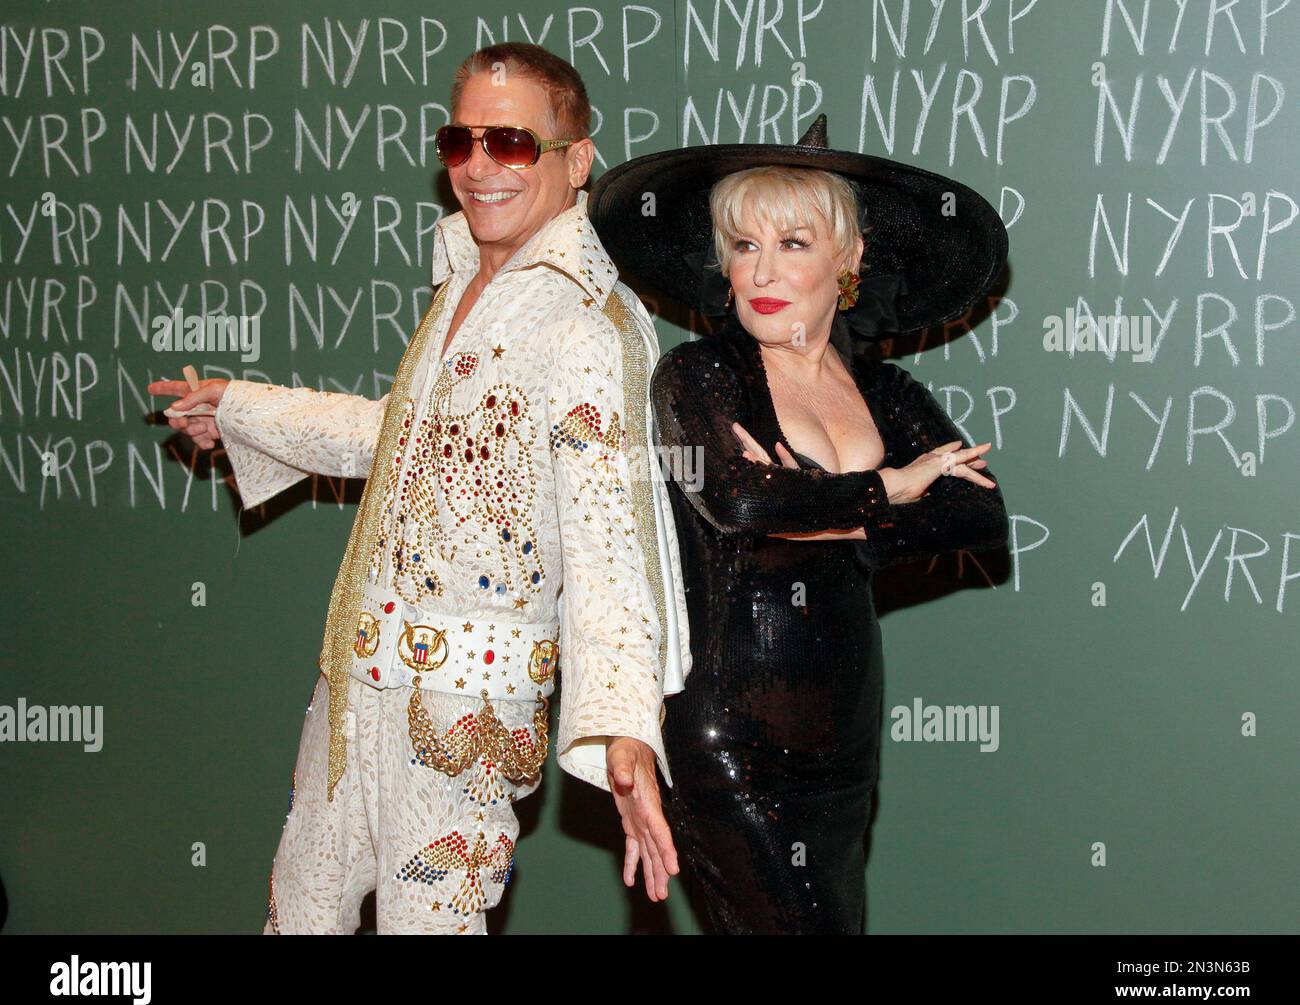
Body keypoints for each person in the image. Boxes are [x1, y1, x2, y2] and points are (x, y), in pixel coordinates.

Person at [146, 42, 691, 934]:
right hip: (353, 690)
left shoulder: (589, 327)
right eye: (461, 142)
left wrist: (627, 722)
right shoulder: (463, 289)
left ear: (576, 159)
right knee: (300, 911)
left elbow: (612, 537)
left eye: (511, 143)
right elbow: (396, 434)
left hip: (464, 718)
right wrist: (238, 409)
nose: (480, 167)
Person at [588, 115, 1010, 933]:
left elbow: (981, 513)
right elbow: (741, 501)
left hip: (845, 738)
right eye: (742, 246)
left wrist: (822, 513)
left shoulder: (884, 392)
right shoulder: (700, 374)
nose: (762, 271)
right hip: (728, 735)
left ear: (847, 259)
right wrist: (888, 488)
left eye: (792, 242)